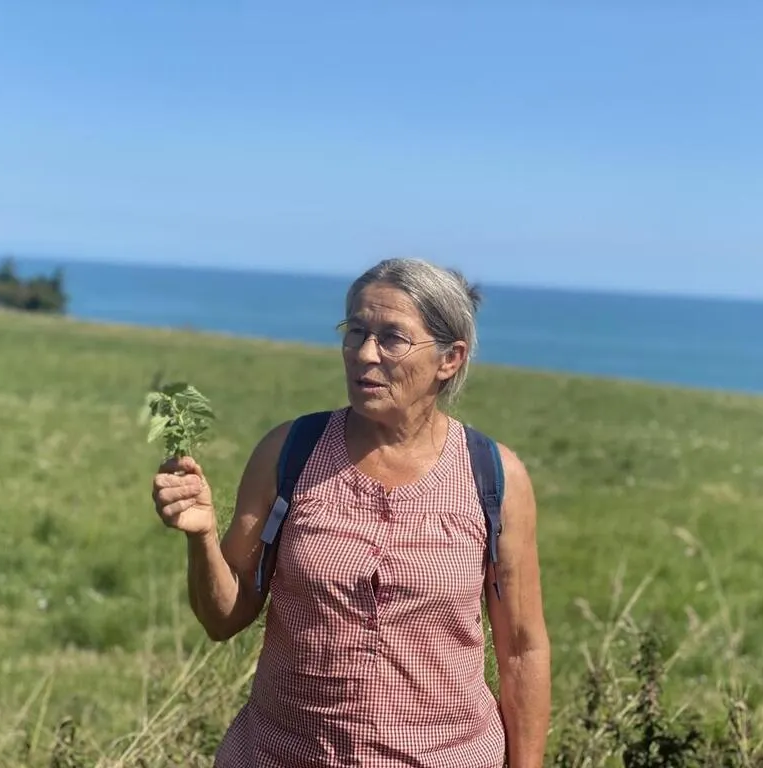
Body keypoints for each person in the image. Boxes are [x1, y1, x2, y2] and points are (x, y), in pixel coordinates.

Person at [151, 257, 552, 767]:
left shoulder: (494, 476)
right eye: (355, 331)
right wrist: (202, 537)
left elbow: (521, 649)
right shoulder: (291, 451)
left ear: (449, 359)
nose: (365, 354)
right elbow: (223, 619)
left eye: (392, 338)